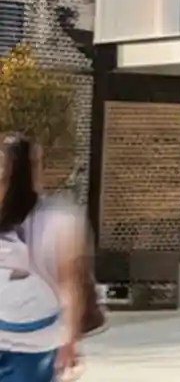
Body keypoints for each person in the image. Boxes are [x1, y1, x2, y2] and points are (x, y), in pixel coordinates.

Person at [0, 132, 89, 381]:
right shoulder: (58, 219)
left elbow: (68, 284)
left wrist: (69, 337)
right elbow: (69, 284)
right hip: (27, 340)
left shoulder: (56, 219)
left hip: (32, 343)